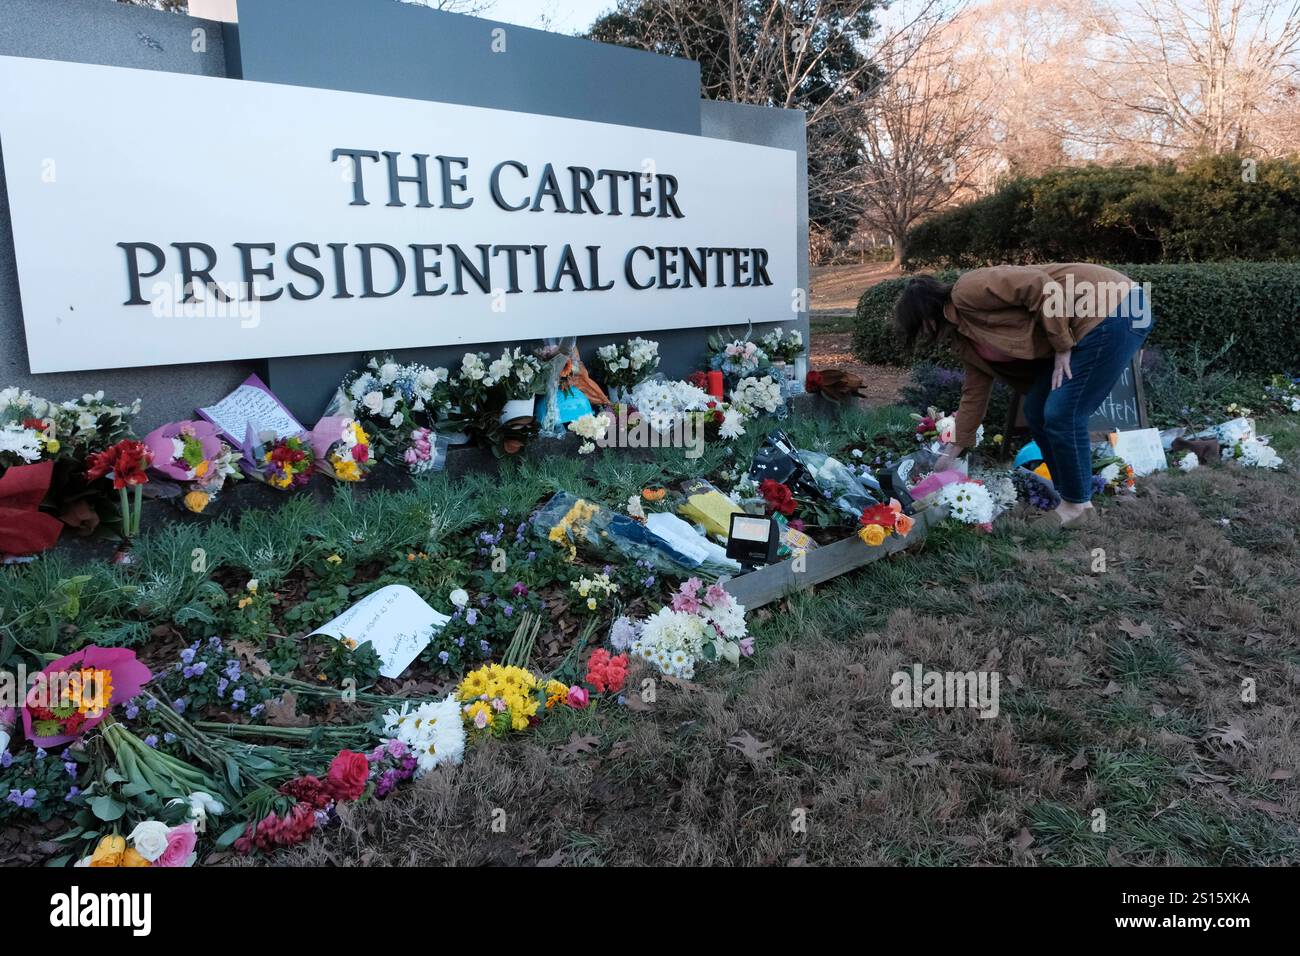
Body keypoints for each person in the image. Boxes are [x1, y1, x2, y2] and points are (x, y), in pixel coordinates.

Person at [893, 263, 1152, 528]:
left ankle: (1077, 506)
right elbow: (973, 394)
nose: (924, 336)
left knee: (1063, 413)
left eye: (920, 328)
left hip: (1114, 306)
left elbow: (1041, 286)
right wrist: (951, 453)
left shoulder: (967, 290)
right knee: (1036, 411)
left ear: (925, 314)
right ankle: (1071, 497)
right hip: (1087, 325)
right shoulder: (964, 338)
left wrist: (1062, 345)